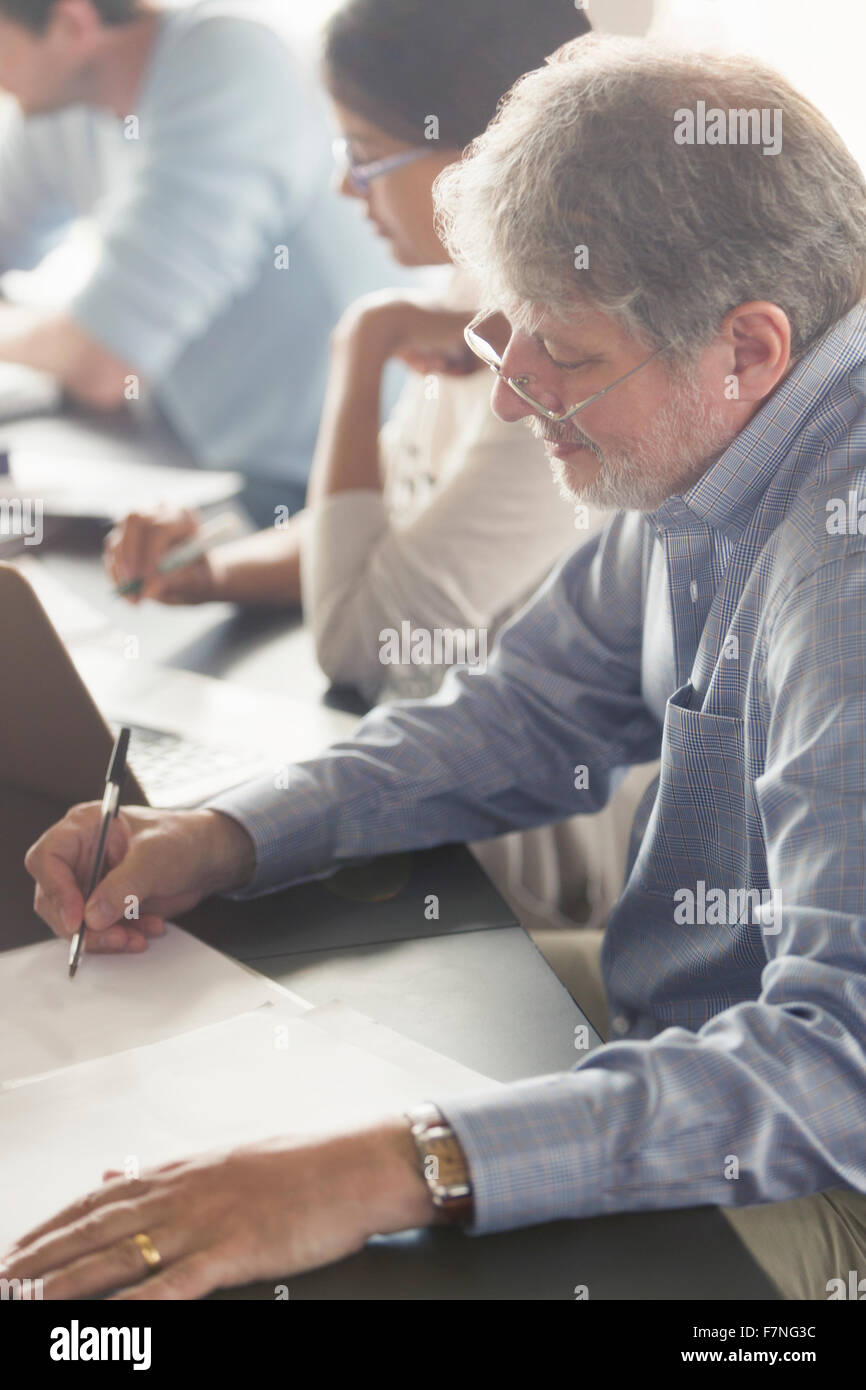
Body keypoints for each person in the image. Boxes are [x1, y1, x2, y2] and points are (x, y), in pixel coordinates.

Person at [14, 36, 866, 1302]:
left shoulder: (838, 572)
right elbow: (523, 713)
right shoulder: (715, 444)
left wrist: (387, 1166)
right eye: (504, 334)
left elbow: (834, 1074)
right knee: (244, 1088)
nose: (514, 398)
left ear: (745, 347)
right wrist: (220, 832)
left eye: (562, 356)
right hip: (678, 1024)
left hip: (819, 1169)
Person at [102, 0, 635, 937]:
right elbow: (384, 523)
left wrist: (362, 343)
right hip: (413, 764)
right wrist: (212, 570)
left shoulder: (557, 373)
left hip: (509, 862)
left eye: (367, 153)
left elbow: (365, 636)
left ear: (480, 157)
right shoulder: (461, 303)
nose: (349, 191)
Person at [0, 0, 401, 525]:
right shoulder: (61, 101)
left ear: (73, 24)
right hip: (188, 450)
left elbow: (103, 361)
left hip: (308, 485)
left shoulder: (228, 67)